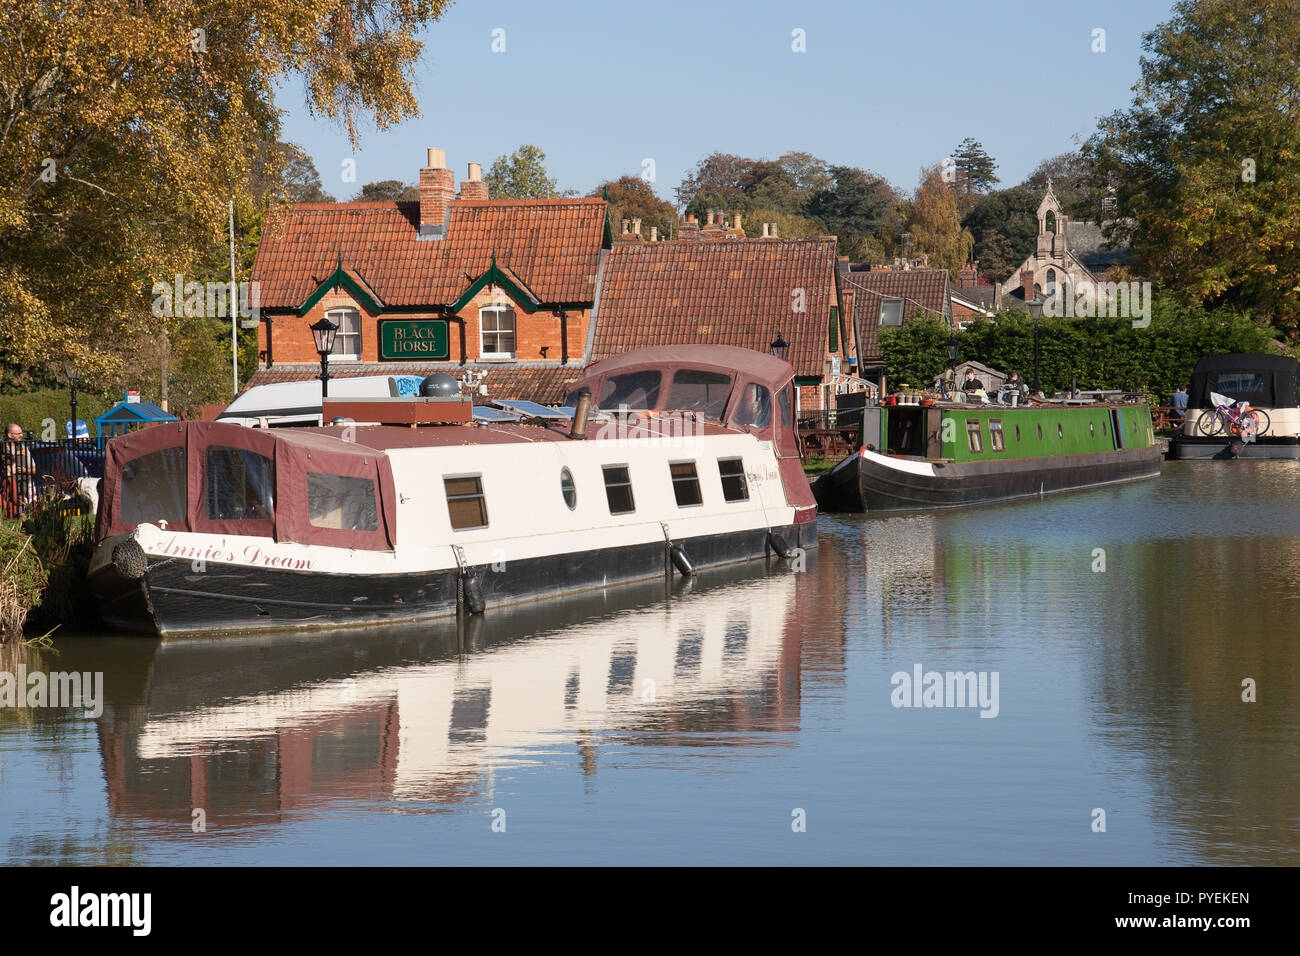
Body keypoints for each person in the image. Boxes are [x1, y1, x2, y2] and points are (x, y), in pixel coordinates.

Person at [2, 422, 37, 517]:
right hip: (6, 493)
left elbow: (35, 470)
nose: (22, 436)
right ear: (10, 435)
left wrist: (25, 470)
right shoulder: (1, 449)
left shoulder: (24, 449)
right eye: (19, 434)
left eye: (22, 433)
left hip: (25, 490)